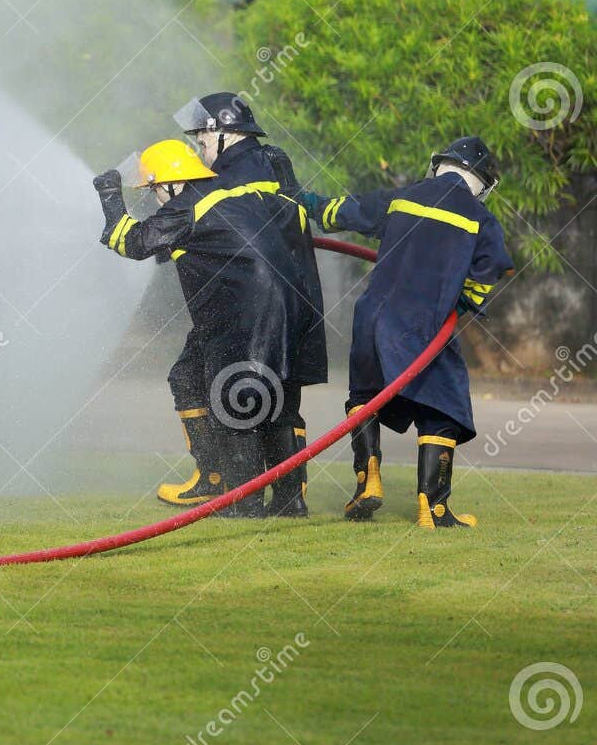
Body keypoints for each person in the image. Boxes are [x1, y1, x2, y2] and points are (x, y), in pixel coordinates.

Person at [299, 137, 513, 528]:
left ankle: (367, 483)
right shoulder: (480, 219)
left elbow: (344, 211)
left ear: (439, 165)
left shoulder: (402, 196)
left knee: (364, 398)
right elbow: (489, 269)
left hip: (370, 317)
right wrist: (462, 301)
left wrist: (309, 203)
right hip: (424, 324)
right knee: (444, 408)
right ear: (482, 183)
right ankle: (433, 508)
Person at [94, 140, 314, 516]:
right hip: (269, 309)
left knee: (235, 399)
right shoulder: (217, 197)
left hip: (241, 315)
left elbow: (131, 241)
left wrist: (111, 196)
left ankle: (243, 504)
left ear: (172, 184)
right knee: (198, 379)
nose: (155, 199)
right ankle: (277, 498)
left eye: (153, 190)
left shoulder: (185, 207)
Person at [165, 93, 328, 516]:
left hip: (244, 304)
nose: (200, 145)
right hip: (291, 296)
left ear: (224, 132)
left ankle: (235, 493)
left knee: (231, 389)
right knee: (280, 396)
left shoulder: (230, 175)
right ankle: (290, 499)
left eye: (203, 136)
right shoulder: (272, 160)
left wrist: (169, 214)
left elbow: (207, 224)